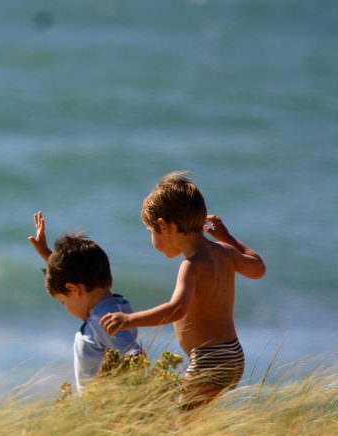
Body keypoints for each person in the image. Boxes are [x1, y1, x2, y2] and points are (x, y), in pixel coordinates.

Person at [100, 172, 266, 411]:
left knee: (184, 424)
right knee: (199, 421)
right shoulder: (225, 252)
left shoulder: (191, 266)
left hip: (209, 359)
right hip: (233, 354)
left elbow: (177, 309)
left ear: (163, 226)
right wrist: (229, 239)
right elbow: (258, 268)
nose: (151, 237)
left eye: (150, 232)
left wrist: (129, 319)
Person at [28, 211, 142, 393]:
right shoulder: (117, 306)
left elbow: (134, 354)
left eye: (62, 301)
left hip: (105, 408)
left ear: (74, 289)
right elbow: (71, 276)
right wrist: (45, 253)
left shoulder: (104, 320)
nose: (66, 308)